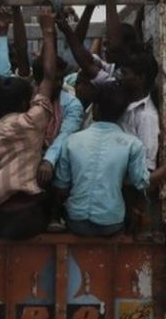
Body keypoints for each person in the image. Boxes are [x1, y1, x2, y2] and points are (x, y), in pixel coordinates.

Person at [0, 5, 57, 240]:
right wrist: (48, 31)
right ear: (27, 101)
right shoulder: (31, 122)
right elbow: (49, 77)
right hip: (26, 218)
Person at [54, 82, 147, 236]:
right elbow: (142, 183)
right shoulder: (133, 145)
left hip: (76, 221)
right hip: (111, 224)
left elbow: (61, 188)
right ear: (122, 113)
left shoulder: (71, 141)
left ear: (95, 108)